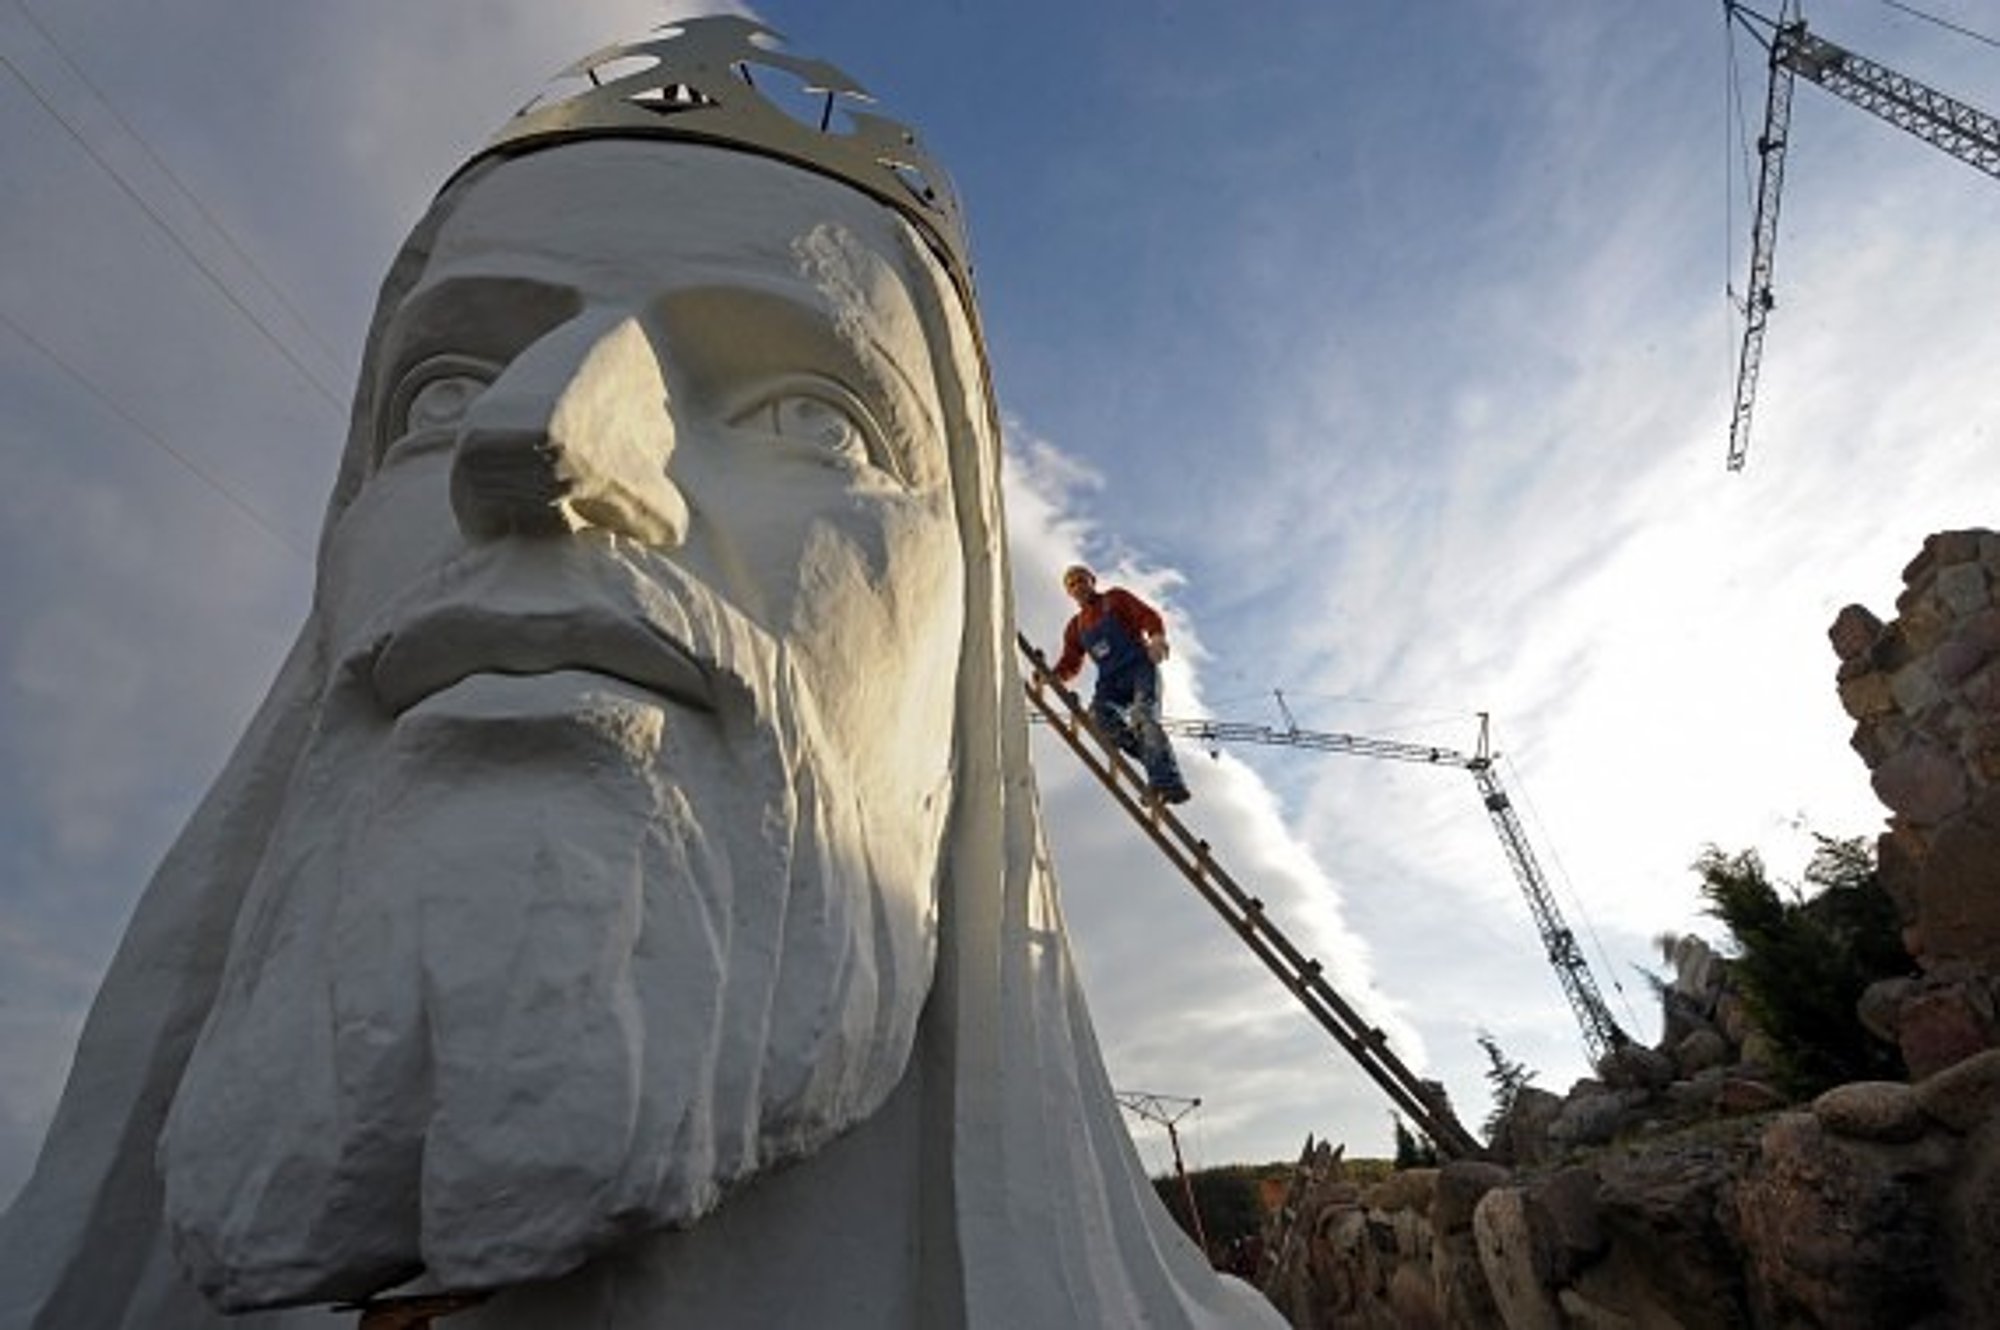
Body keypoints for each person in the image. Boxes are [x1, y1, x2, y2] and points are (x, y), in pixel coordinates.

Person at [0, 18, 1281, 1330]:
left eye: (810, 416)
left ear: (957, 628)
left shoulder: (1108, 608)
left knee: (1141, 721)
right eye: (441, 393)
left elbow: (1113, 644)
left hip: (1129, 671)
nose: (529, 444)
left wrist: (1106, 671)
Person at [1053, 563, 1191, 805]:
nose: (1078, 586)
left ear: (1092, 581)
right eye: (1072, 584)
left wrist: (1157, 637)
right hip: (1110, 681)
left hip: (1138, 668)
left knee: (1143, 716)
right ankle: (1155, 763)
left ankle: (1169, 783)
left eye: (1082, 580)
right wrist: (1052, 676)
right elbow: (1070, 661)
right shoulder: (1075, 627)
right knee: (1098, 717)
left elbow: (1146, 615)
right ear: (1069, 593)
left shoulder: (1114, 598)